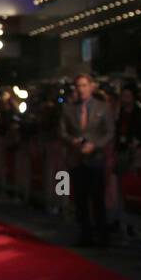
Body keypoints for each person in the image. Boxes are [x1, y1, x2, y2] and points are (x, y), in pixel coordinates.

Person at [59, 71, 114, 245]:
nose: (81, 89)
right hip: (76, 158)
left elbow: (110, 131)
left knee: (97, 198)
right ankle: (85, 234)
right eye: (78, 86)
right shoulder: (68, 109)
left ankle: (102, 235)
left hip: (96, 158)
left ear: (91, 87)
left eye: (84, 85)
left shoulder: (103, 107)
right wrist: (73, 141)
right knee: (80, 199)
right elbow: (61, 131)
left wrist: (95, 145)